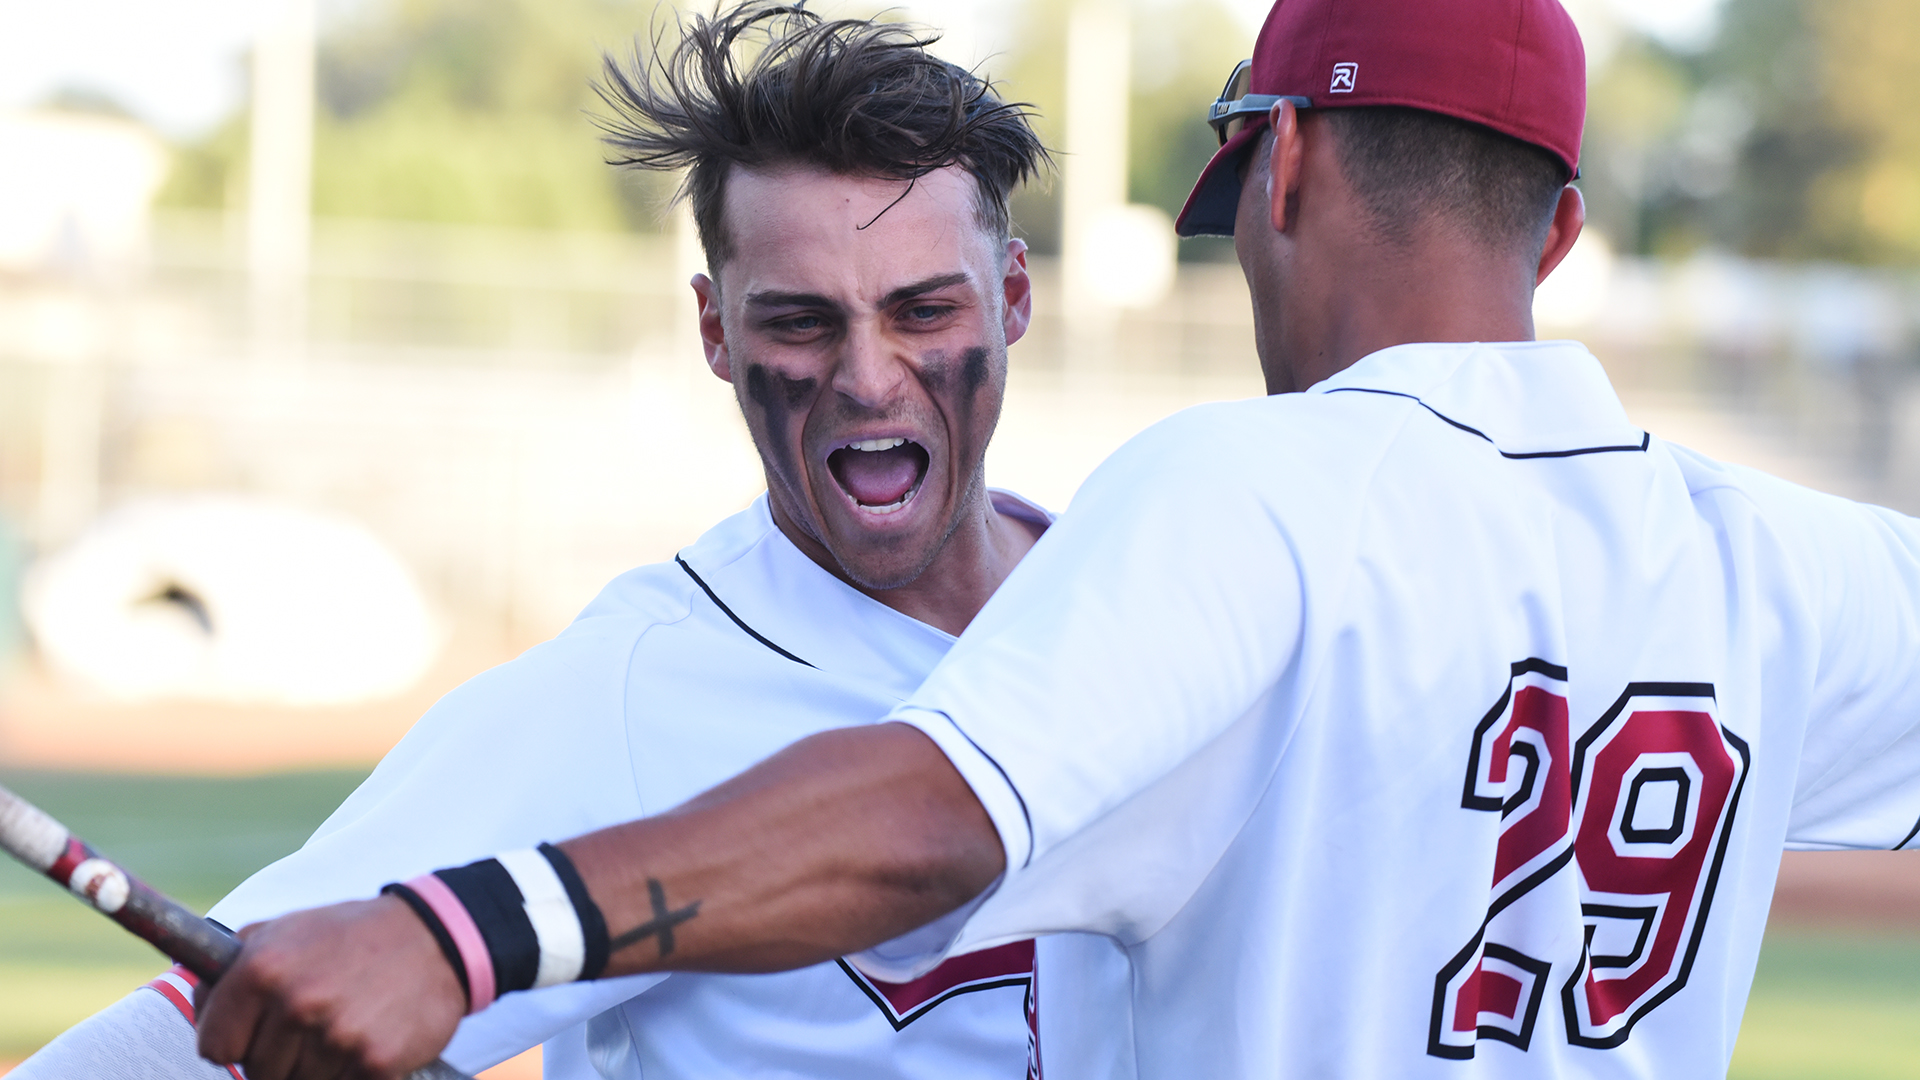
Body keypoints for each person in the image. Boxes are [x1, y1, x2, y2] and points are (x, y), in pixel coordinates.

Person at [190, 0, 1920, 1077]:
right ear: (1558, 232)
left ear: (1287, 164)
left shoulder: (1250, 496)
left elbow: (936, 817)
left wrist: (470, 931)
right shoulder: (1777, 568)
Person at [11, 5, 1060, 1079]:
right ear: (715, 332)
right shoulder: (627, 695)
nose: (870, 376)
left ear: (1013, 296)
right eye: (800, 321)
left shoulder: (1131, 603)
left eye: (925, 311)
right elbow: (176, 1047)